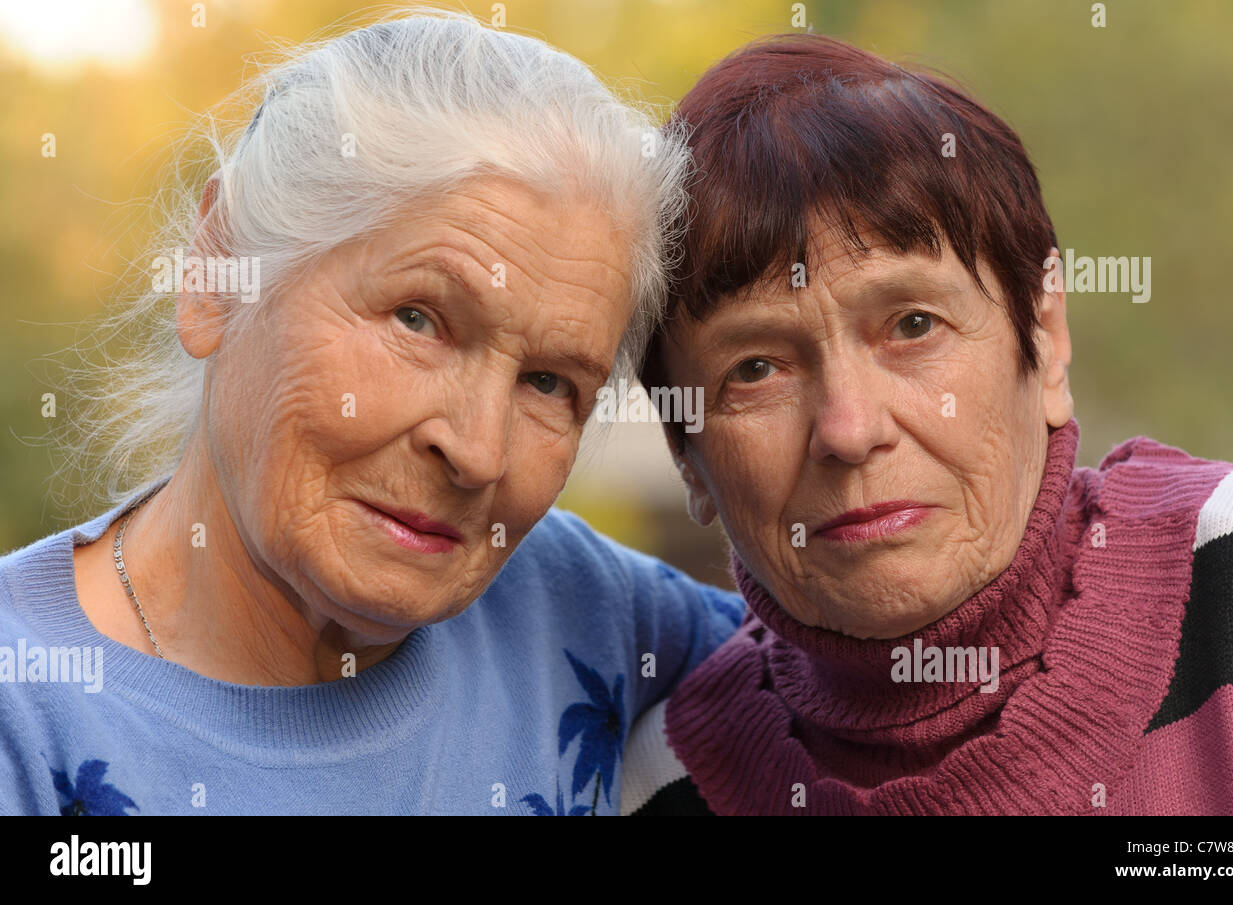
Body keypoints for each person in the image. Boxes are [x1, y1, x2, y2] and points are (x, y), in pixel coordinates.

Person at [0, 11, 742, 816]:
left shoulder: (579, 608)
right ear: (219, 273)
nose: (478, 450)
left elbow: (859, 674)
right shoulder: (29, 715)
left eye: (549, 382)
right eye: (419, 319)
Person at [621, 34, 1233, 816]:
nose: (849, 428)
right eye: (755, 369)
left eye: (913, 324)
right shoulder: (664, 788)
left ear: (1043, 340)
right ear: (687, 454)